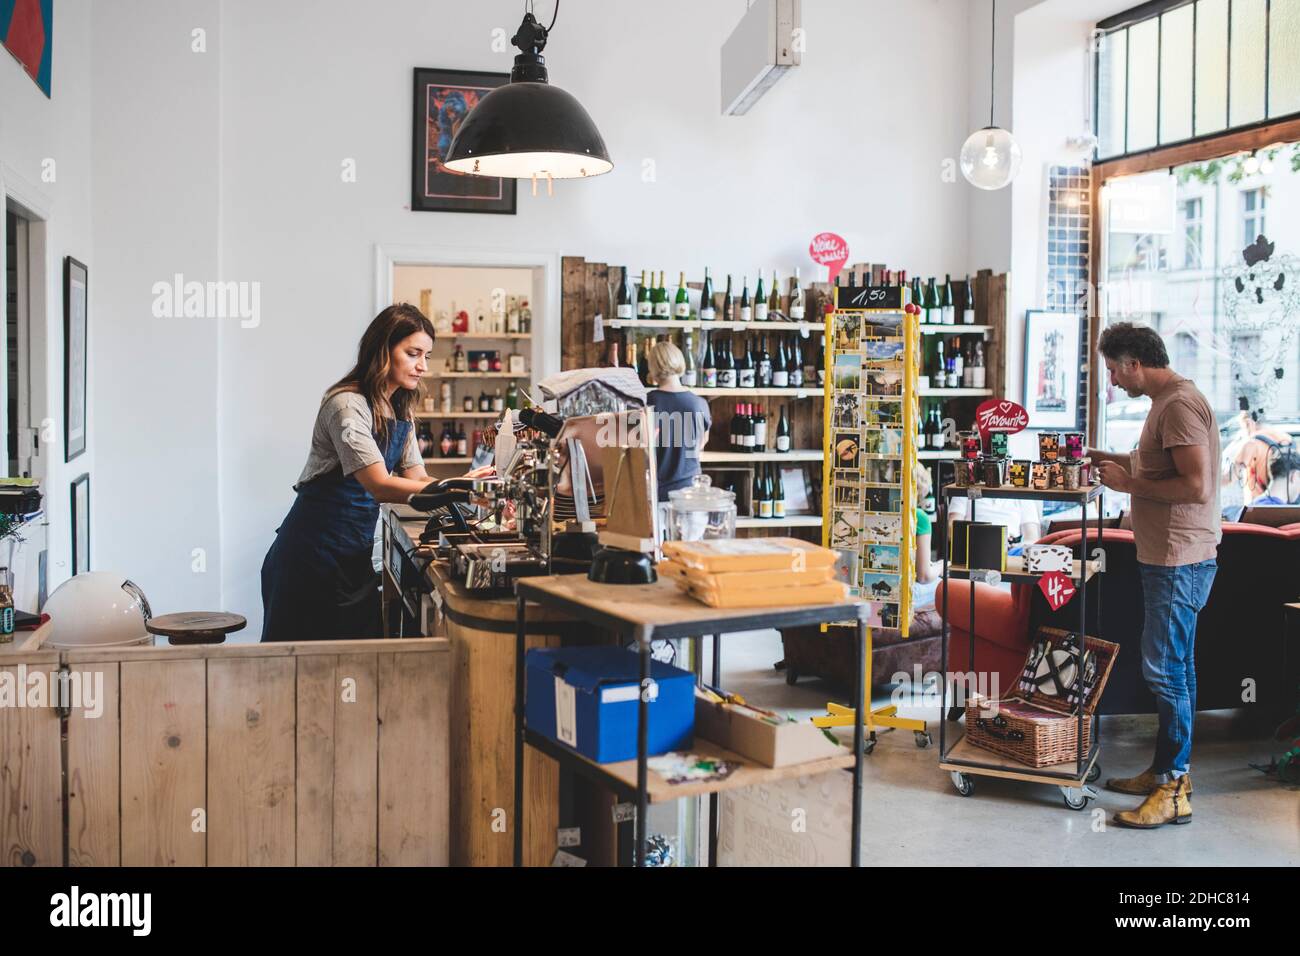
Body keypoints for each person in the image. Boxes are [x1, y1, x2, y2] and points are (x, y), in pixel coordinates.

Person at [261, 304, 480, 641]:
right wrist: (456, 490)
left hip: (352, 557)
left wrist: (466, 485)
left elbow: (418, 478)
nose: (423, 366)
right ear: (383, 350)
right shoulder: (347, 406)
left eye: (427, 355)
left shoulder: (398, 410)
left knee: (356, 667)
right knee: (296, 672)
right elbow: (379, 485)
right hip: (310, 559)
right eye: (413, 353)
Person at [1086, 322, 1220, 829]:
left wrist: (1127, 485)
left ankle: (1174, 788)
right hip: (1169, 556)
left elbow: (1196, 487)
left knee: (1165, 672)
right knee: (1176, 669)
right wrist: (1107, 460)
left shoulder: (1180, 406)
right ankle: (1166, 770)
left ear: (1135, 363)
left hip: (1179, 558)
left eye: (1115, 371)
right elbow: (1159, 468)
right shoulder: (1166, 405)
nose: (1114, 382)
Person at [646, 341, 711, 502]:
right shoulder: (700, 403)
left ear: (653, 368)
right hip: (692, 492)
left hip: (656, 494)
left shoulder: (645, 404)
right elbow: (701, 444)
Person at [947, 490, 1042, 554]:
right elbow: (952, 529)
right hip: (974, 550)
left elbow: (1032, 538)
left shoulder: (1021, 495)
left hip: (1010, 551)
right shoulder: (967, 489)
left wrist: (1017, 546)